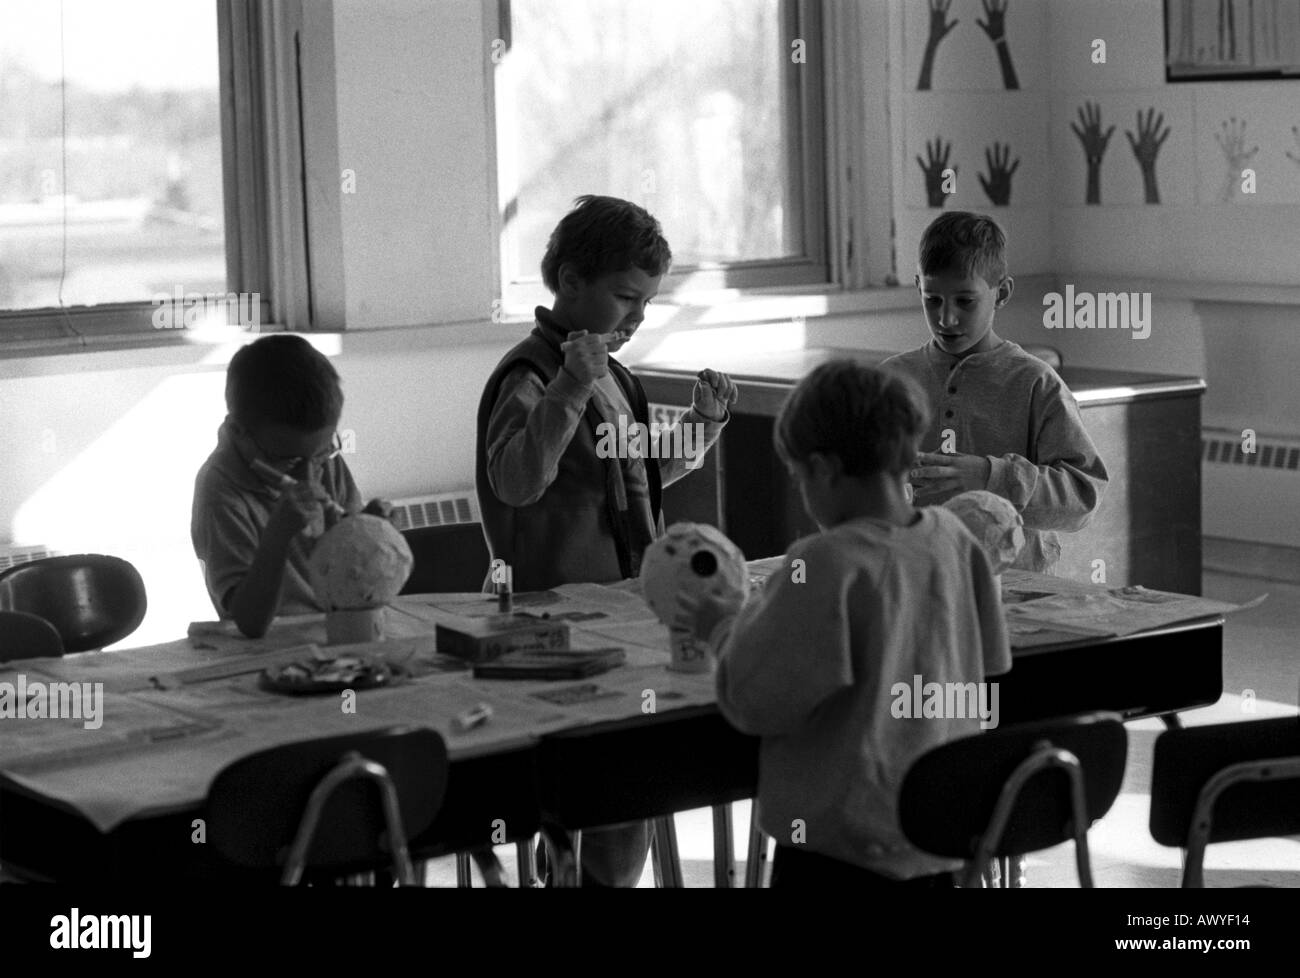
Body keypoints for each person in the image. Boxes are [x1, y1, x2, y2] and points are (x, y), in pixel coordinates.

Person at [476, 194, 737, 886]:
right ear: (568, 282)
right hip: (552, 621)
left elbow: (639, 469)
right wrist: (567, 385)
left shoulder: (613, 376)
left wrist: (703, 426)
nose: (637, 318)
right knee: (587, 794)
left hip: (623, 611)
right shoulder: (532, 376)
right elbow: (516, 482)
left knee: (626, 798)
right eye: (625, 297)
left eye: (647, 302)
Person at [677, 360, 1011, 887]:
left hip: (840, 848)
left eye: (799, 477)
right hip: (936, 839)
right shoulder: (953, 538)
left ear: (825, 468)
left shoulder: (827, 561)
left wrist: (722, 627)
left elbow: (755, 700)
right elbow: (990, 666)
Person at [882, 211, 1107, 574]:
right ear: (918, 288)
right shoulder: (891, 381)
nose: (946, 319)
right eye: (932, 299)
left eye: (965, 301)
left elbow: (1083, 499)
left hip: (1015, 592)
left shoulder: (1036, 384)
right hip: (915, 580)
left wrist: (992, 477)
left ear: (1001, 293)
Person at [192, 334, 384, 638]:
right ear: (238, 432)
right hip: (265, 652)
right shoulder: (221, 490)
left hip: (334, 633)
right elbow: (249, 622)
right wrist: (278, 535)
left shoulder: (326, 462)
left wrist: (371, 532)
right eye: (287, 460)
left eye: (320, 454)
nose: (308, 476)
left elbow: (354, 578)